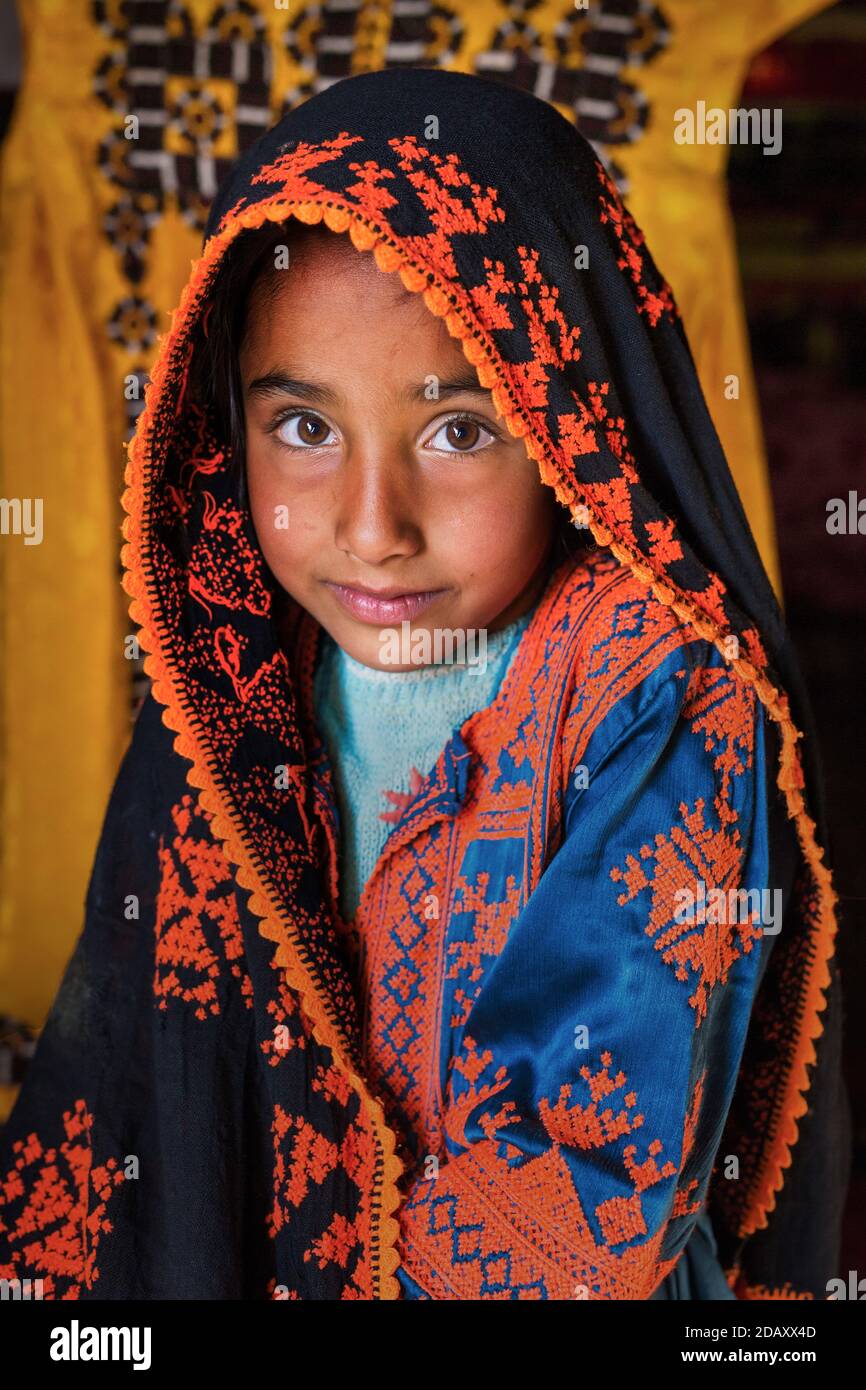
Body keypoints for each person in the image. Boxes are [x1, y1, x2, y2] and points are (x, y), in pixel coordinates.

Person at [0, 67, 849, 1300]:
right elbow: (135, 1088)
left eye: (457, 429)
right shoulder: (232, 678)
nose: (371, 525)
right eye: (302, 427)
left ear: (575, 421)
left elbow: (592, 1196)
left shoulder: (651, 692)